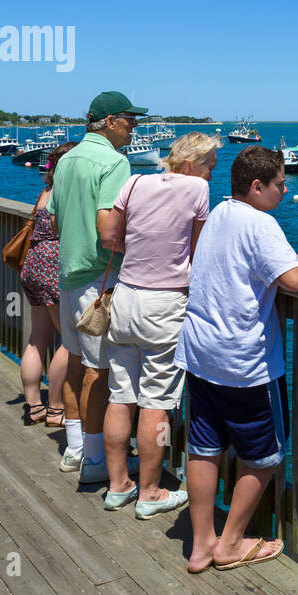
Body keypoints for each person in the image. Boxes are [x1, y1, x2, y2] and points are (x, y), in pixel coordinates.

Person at [176, 146, 298, 573]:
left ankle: (202, 544)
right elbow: (293, 281)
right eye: (280, 183)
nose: (285, 188)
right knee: (265, 455)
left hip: (201, 354)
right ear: (257, 187)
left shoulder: (219, 213)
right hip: (245, 364)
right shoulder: (262, 223)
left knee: (204, 448)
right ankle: (231, 543)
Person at [98, 132, 219, 519]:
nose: (211, 175)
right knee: (156, 403)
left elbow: (109, 237)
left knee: (120, 394)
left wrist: (141, 252)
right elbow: (198, 250)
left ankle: (118, 487)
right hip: (165, 302)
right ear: (192, 163)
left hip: (126, 295)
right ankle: (150, 492)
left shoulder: (134, 181)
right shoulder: (197, 189)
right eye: (210, 166)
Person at [49, 91, 147, 484]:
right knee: (99, 371)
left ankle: (76, 447)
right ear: (109, 122)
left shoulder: (67, 159)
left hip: (69, 272)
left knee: (75, 361)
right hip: (99, 280)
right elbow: (109, 232)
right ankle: (95, 462)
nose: (134, 127)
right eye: (129, 120)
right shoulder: (114, 163)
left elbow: (55, 221)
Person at [18, 143, 76, 427]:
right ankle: (55, 407)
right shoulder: (67, 194)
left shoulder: (45, 192)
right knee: (69, 340)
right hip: (54, 265)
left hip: (33, 263)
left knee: (37, 337)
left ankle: (33, 406)